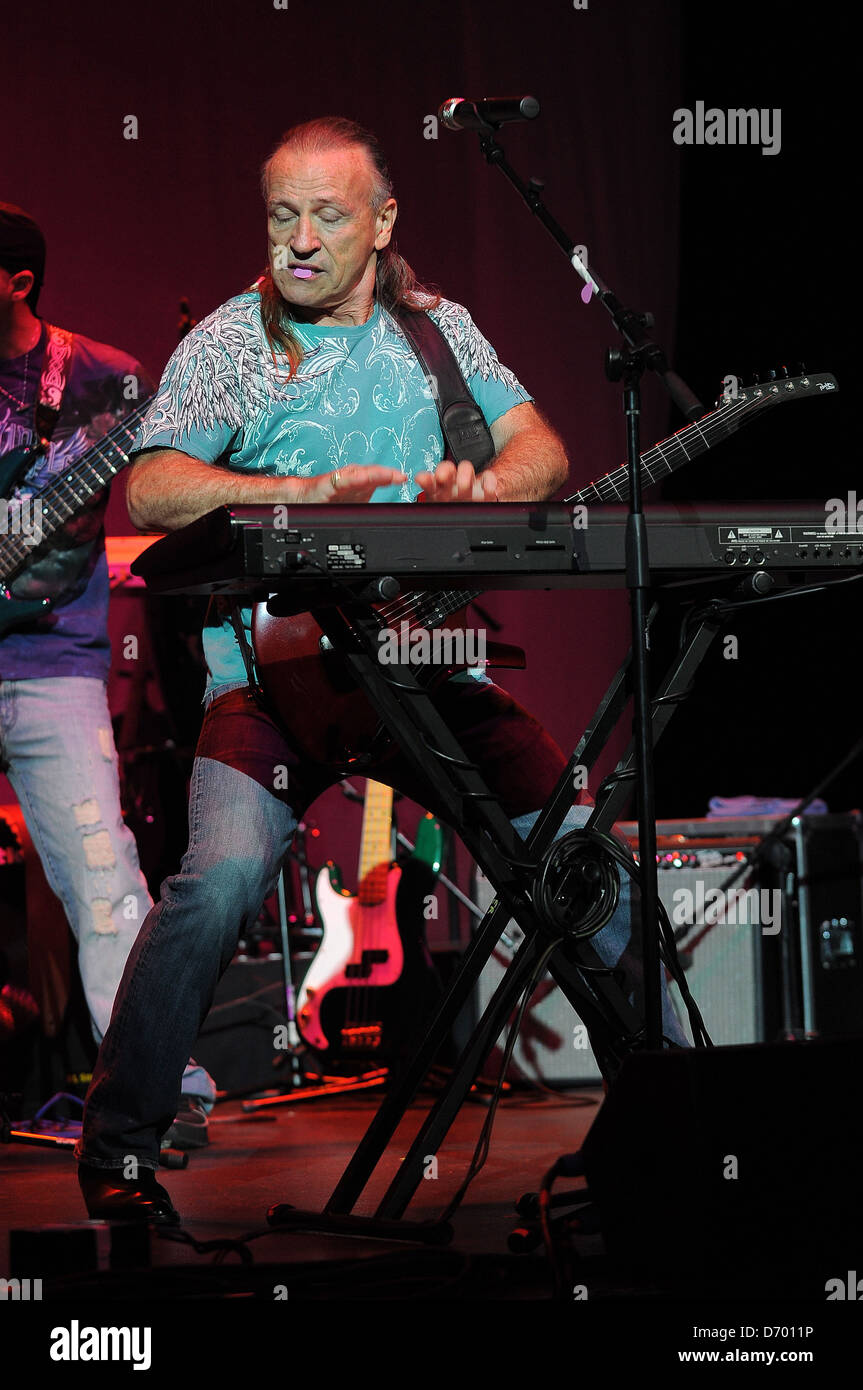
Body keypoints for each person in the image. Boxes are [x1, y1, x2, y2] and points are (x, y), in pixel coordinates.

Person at [75, 118, 687, 1224]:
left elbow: (541, 451)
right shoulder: (233, 340)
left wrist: (484, 492)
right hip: (267, 681)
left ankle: (681, 1115)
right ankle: (118, 1150)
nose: (299, 240)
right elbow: (153, 490)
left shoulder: (438, 332)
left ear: (383, 221)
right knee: (213, 882)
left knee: (570, 852)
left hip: (415, 664)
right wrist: (310, 499)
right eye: (279, 215)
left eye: (327, 215)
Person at [0, 203, 215, 1148]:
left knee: (105, 880)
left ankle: (155, 1094)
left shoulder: (105, 378)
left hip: (52, 663)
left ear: (18, 282)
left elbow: (168, 488)